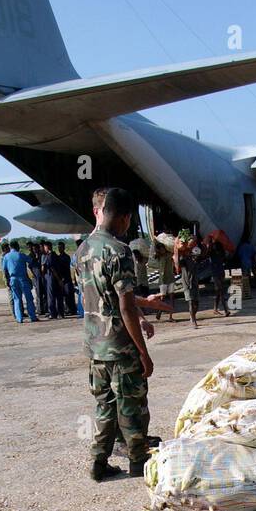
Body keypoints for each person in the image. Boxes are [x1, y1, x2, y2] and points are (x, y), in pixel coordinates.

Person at [75, 186, 154, 482]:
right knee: (132, 405)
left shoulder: (82, 250)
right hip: (120, 347)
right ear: (124, 218)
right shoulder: (119, 252)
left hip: (95, 346)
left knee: (105, 406)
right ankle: (137, 460)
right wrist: (143, 352)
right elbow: (125, 306)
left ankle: (99, 462)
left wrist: (140, 312)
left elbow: (93, 296)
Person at [1, 240, 39, 324]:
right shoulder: (21, 255)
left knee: (17, 299)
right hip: (22, 279)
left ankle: (19, 318)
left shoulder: (6, 257)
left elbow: (4, 270)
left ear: (10, 247)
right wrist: (36, 256)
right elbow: (31, 261)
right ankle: (32, 316)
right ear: (17, 246)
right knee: (29, 298)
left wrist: (7, 280)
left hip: (13, 279)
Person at [174, 227, 202, 327]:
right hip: (187, 282)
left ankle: (192, 316)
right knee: (190, 302)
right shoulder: (183, 260)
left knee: (197, 303)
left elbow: (199, 252)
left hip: (195, 282)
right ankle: (194, 321)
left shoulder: (193, 257)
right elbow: (177, 256)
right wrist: (180, 251)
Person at [206, 234, 230, 317]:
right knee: (221, 290)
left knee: (218, 291)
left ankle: (215, 308)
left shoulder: (216, 251)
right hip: (218, 272)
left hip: (218, 271)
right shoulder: (213, 251)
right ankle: (226, 310)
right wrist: (209, 245)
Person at [40, 240, 65, 319]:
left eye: (44, 247)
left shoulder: (49, 256)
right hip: (57, 278)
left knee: (51, 296)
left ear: (47, 247)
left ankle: (53, 313)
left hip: (52, 277)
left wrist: (58, 279)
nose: (44, 248)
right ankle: (61, 313)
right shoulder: (56, 255)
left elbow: (52, 269)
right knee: (59, 296)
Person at [152, 238, 175, 321]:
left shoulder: (169, 254)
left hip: (171, 278)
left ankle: (171, 316)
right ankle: (160, 311)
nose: (162, 250)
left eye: (163, 248)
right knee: (162, 298)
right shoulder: (158, 257)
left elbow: (174, 250)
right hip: (163, 280)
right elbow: (153, 252)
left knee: (172, 297)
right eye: (160, 249)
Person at [55, 240, 77, 315]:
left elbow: (64, 268)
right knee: (64, 295)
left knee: (69, 295)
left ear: (64, 248)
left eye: (61, 247)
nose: (59, 249)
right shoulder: (58, 257)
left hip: (66, 278)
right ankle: (67, 309)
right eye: (58, 247)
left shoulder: (66, 257)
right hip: (61, 279)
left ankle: (72, 310)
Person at [27, 240, 46, 314]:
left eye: (36, 249)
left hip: (42, 276)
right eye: (33, 249)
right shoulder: (30, 256)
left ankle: (45, 308)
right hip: (36, 276)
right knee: (38, 293)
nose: (34, 250)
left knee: (44, 292)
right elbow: (30, 266)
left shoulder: (41, 255)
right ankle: (40, 309)